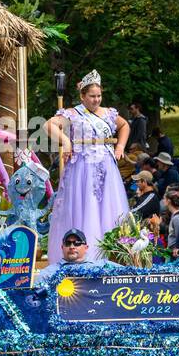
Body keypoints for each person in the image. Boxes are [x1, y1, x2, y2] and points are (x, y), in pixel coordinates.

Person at [46, 69, 131, 264]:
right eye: (92, 96)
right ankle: (83, 256)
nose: (96, 100)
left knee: (108, 207)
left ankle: (113, 255)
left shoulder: (109, 113)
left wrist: (120, 146)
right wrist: (66, 141)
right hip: (82, 167)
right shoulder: (73, 113)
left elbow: (125, 125)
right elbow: (49, 125)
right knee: (85, 206)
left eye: (99, 96)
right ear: (82, 96)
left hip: (106, 166)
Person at [36, 229, 116, 286]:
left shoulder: (103, 266)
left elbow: (127, 275)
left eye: (77, 243)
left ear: (86, 247)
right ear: (62, 247)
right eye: (68, 243)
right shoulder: (48, 273)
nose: (72, 247)